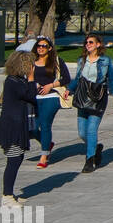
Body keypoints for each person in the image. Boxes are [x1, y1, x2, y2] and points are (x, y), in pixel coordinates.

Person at [66, 33, 113, 174]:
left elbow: (112, 81)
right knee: (82, 132)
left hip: (98, 98)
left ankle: (90, 160)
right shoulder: (82, 60)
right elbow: (78, 79)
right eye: (86, 42)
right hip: (82, 97)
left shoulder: (105, 60)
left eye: (91, 42)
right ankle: (96, 147)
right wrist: (69, 89)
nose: (88, 45)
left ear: (98, 44)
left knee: (92, 130)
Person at [0, 51, 39, 205]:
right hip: (11, 127)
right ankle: (6, 196)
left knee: (18, 157)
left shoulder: (17, 80)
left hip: (17, 125)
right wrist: (32, 79)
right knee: (13, 159)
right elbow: (31, 96)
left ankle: (10, 193)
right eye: (31, 64)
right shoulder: (13, 82)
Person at [30, 36, 71, 168]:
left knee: (45, 124)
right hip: (34, 97)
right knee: (32, 128)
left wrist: (50, 86)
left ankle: (44, 156)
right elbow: (25, 77)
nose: (41, 48)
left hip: (51, 97)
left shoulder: (56, 61)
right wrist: (33, 84)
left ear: (50, 48)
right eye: (39, 46)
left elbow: (66, 78)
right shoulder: (31, 61)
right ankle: (47, 143)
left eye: (44, 46)